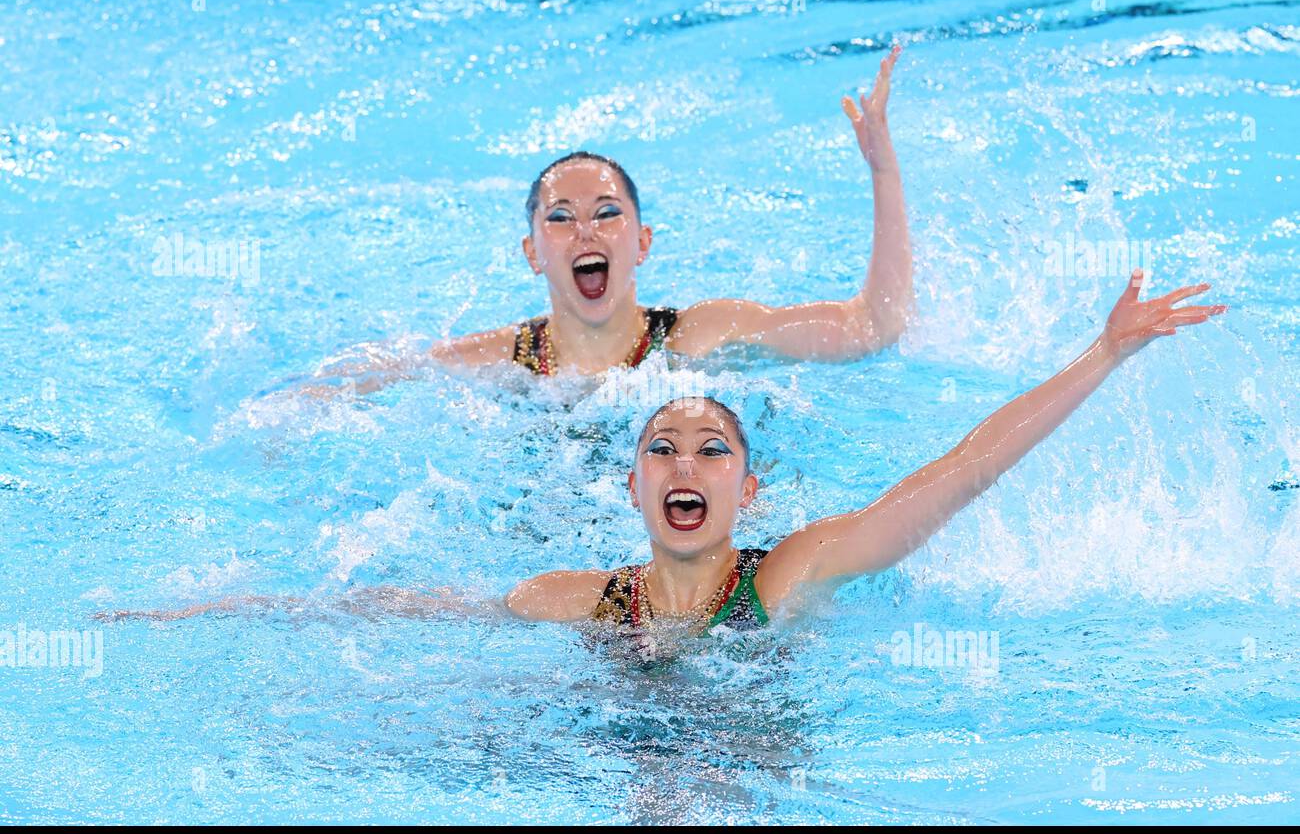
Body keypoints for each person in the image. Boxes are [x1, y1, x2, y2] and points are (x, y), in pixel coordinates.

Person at [104, 271, 1223, 633]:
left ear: (747, 483)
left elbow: (965, 467)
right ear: (634, 483)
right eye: (664, 447)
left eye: (710, 448)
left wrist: (1104, 354)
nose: (686, 464)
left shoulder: (787, 575)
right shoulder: (581, 596)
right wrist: (215, 610)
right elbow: (399, 605)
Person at [303, 47, 913, 395]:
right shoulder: (503, 360)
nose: (587, 232)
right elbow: (389, 374)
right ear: (532, 251)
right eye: (561, 217)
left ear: (643, 243)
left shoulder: (699, 338)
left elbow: (874, 326)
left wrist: (884, 173)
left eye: (607, 213)